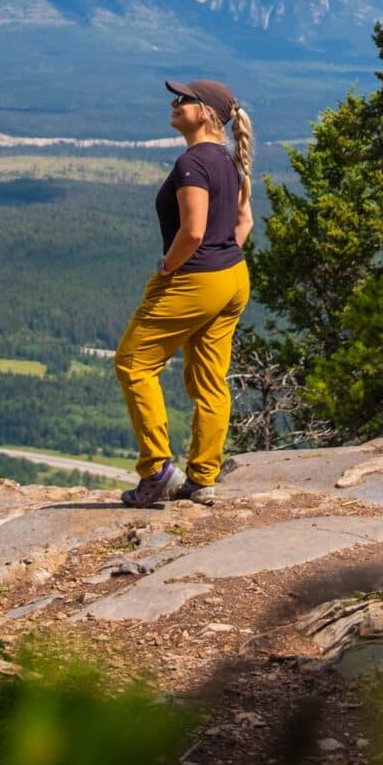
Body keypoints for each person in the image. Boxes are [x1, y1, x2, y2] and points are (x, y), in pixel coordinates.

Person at [114, 77, 254, 507]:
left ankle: (156, 470)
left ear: (206, 112)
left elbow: (192, 231)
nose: (174, 103)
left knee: (134, 363)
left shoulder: (192, 164)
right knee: (209, 381)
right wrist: (222, 255)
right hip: (233, 278)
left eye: (184, 99)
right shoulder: (231, 160)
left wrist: (168, 266)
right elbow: (244, 222)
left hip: (194, 279)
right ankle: (202, 479)